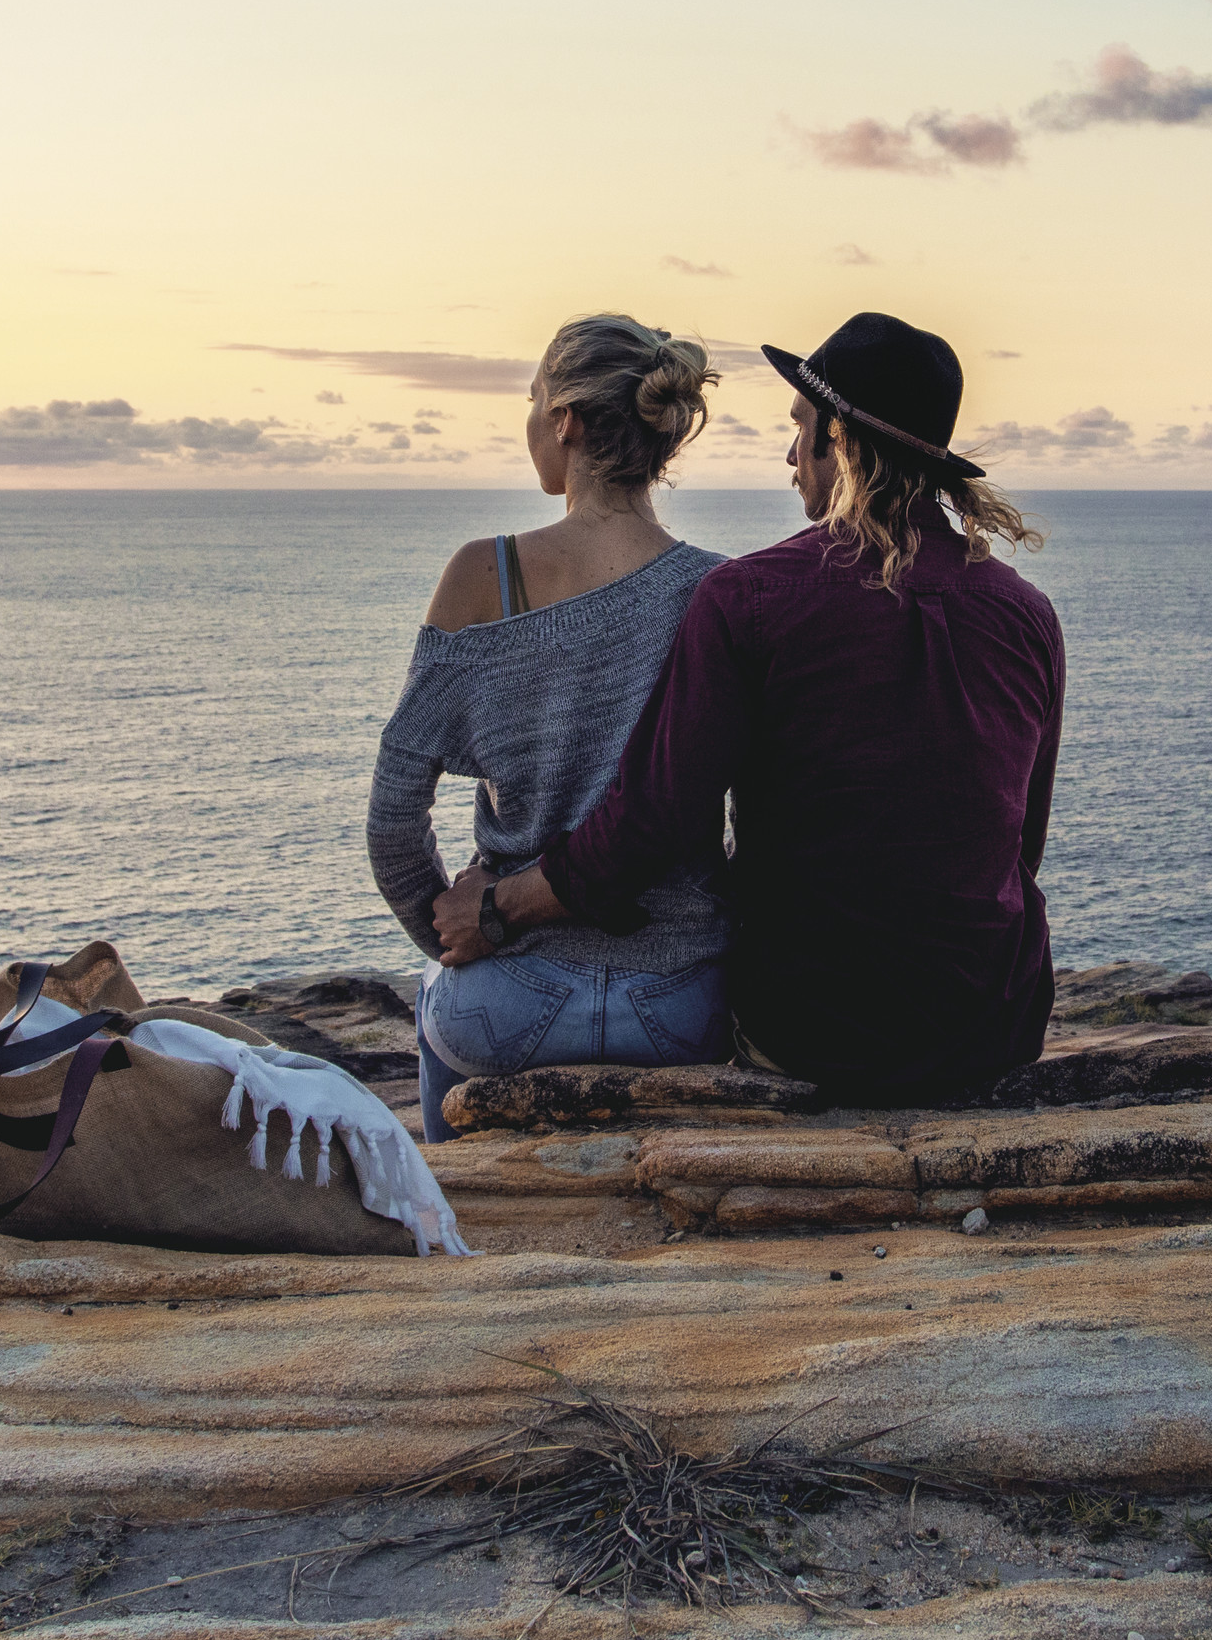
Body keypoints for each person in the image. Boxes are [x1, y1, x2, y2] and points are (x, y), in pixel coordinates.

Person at [439, 311, 1063, 1110]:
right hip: (993, 1028)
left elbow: (650, 824)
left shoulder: (750, 598)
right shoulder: (1028, 615)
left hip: (814, 1033)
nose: (790, 451)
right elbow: (1023, 846)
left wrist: (496, 906)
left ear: (839, 438)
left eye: (801, 426)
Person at [365, 313, 732, 1137]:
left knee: (438, 1016)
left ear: (564, 419)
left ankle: (452, 1232)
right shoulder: (718, 593)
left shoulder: (480, 575)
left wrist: (461, 937)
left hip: (508, 1003)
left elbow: (393, 824)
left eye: (532, 398)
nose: (528, 418)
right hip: (682, 1007)